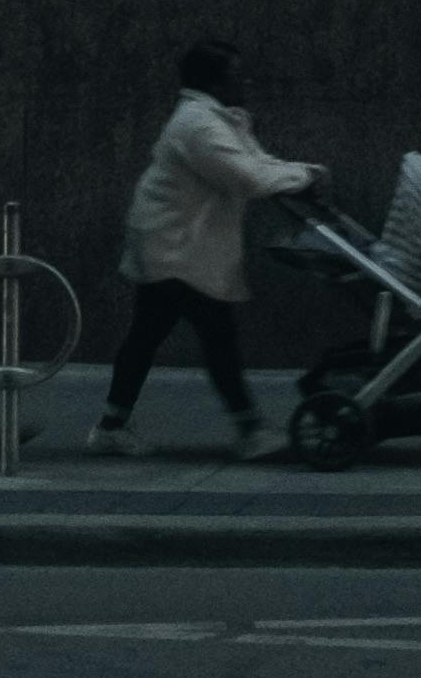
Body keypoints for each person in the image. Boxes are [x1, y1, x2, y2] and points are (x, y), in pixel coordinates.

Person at [86, 41, 318, 457]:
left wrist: (300, 173)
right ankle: (250, 429)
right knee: (215, 334)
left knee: (148, 333)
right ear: (212, 81)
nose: (243, 81)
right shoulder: (199, 125)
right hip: (174, 245)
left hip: (174, 242)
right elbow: (247, 177)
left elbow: (258, 163)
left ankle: (111, 424)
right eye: (235, 73)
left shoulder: (217, 120)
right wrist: (306, 176)